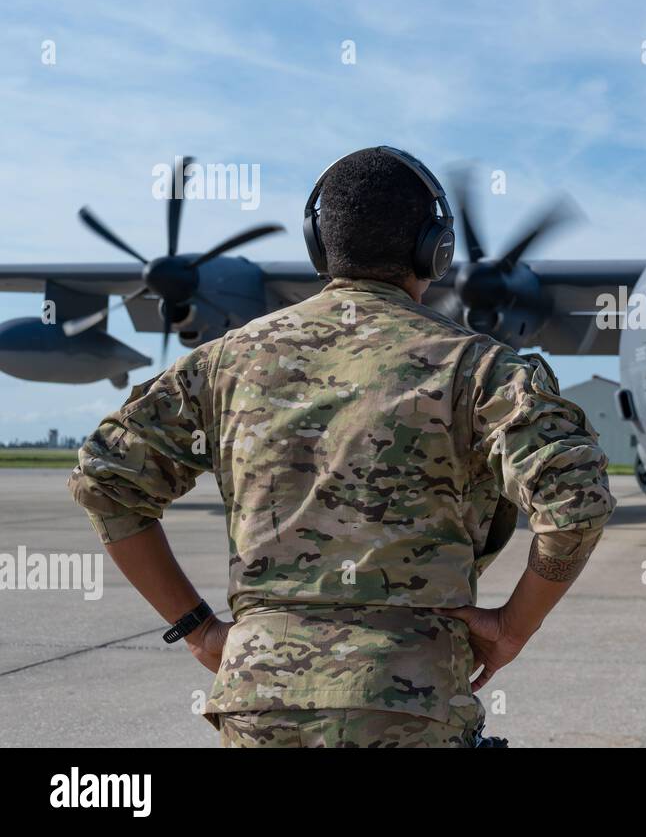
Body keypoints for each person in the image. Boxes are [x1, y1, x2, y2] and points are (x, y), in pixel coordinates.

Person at [68, 147, 615, 747]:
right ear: (436, 249)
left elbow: (107, 481)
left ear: (317, 247)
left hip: (261, 703)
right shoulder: (479, 367)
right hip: (413, 702)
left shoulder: (225, 362)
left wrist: (198, 630)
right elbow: (575, 502)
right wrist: (513, 627)